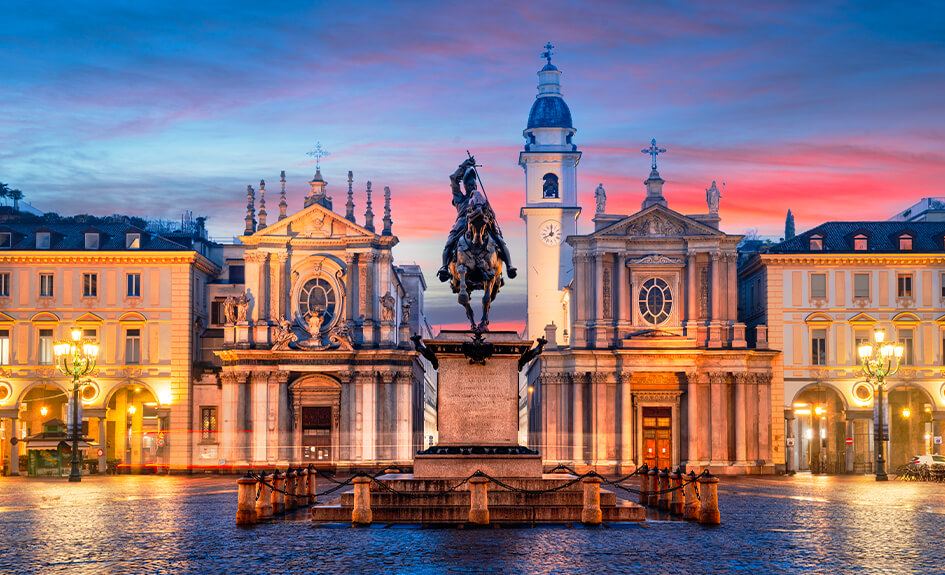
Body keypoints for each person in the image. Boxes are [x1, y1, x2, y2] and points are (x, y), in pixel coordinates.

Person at [437, 157, 517, 282]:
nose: (473, 187)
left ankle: (509, 266)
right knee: (449, 243)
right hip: (462, 224)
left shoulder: (480, 199)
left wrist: (490, 215)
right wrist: (463, 166)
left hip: (482, 222)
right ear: (465, 186)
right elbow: (453, 178)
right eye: (469, 185)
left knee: (499, 240)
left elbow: (490, 212)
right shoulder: (460, 198)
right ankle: (444, 267)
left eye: (474, 185)